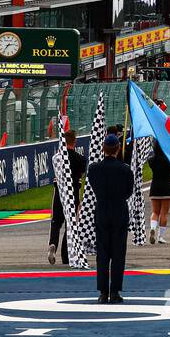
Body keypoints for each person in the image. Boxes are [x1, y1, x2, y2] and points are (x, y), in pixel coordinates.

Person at [87, 133, 134, 304]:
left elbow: (93, 187)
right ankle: (114, 291)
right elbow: (129, 191)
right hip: (119, 211)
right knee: (118, 253)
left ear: (103, 149)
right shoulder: (125, 169)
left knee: (102, 253)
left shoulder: (93, 169)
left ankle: (103, 292)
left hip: (102, 212)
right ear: (117, 149)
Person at [49, 128, 87, 265]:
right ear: (74, 142)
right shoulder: (81, 159)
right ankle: (65, 256)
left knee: (55, 222)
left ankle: (53, 243)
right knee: (70, 225)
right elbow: (81, 174)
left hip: (59, 193)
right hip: (73, 194)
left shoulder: (56, 158)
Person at [148, 145, 170, 243]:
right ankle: (160, 237)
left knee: (155, 212)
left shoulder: (152, 160)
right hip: (167, 186)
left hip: (155, 186)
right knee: (164, 213)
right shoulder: (169, 160)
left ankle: (153, 228)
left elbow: (150, 159)